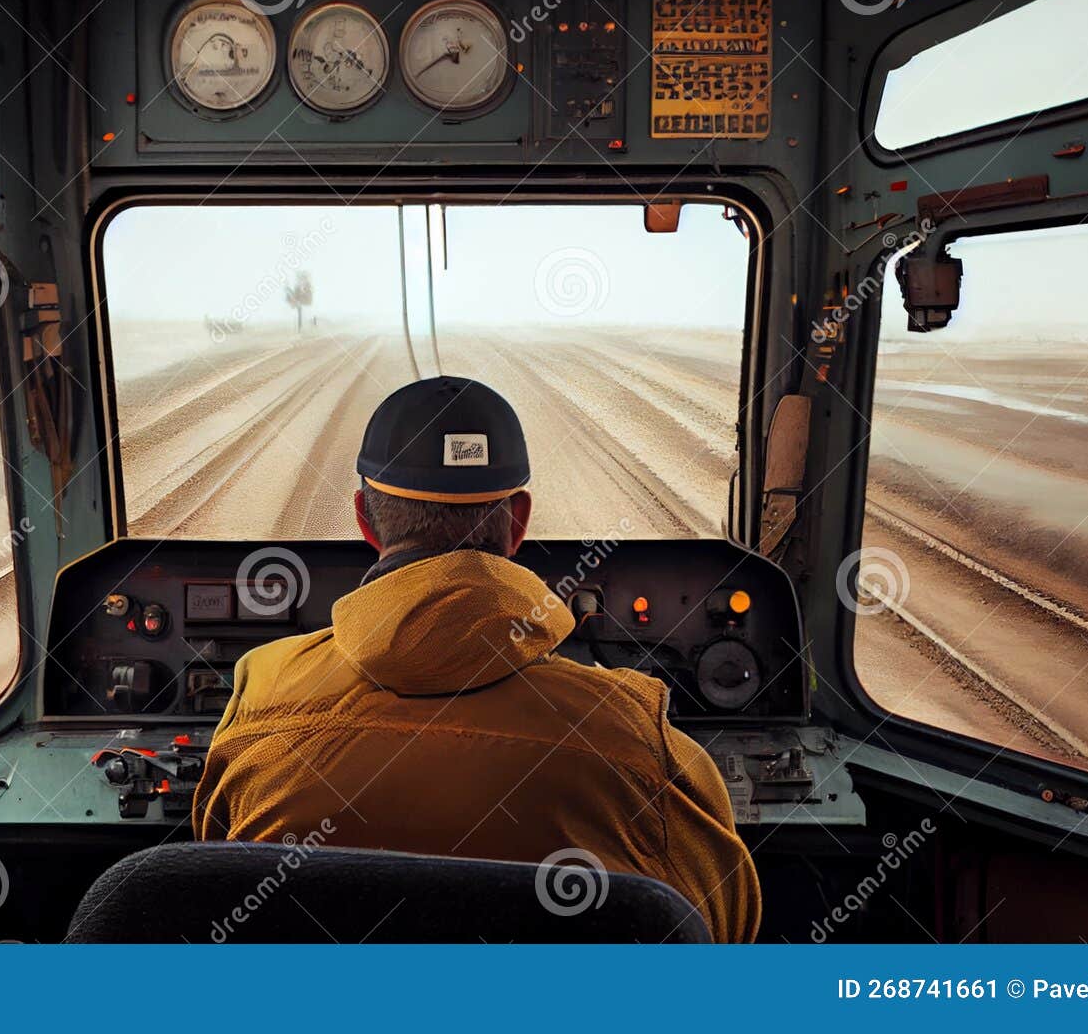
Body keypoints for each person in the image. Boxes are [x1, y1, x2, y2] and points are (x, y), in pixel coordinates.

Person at [192, 376, 760, 941]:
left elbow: (218, 870)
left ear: (365, 518)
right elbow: (721, 930)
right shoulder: (637, 740)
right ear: (518, 524)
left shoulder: (260, 696)